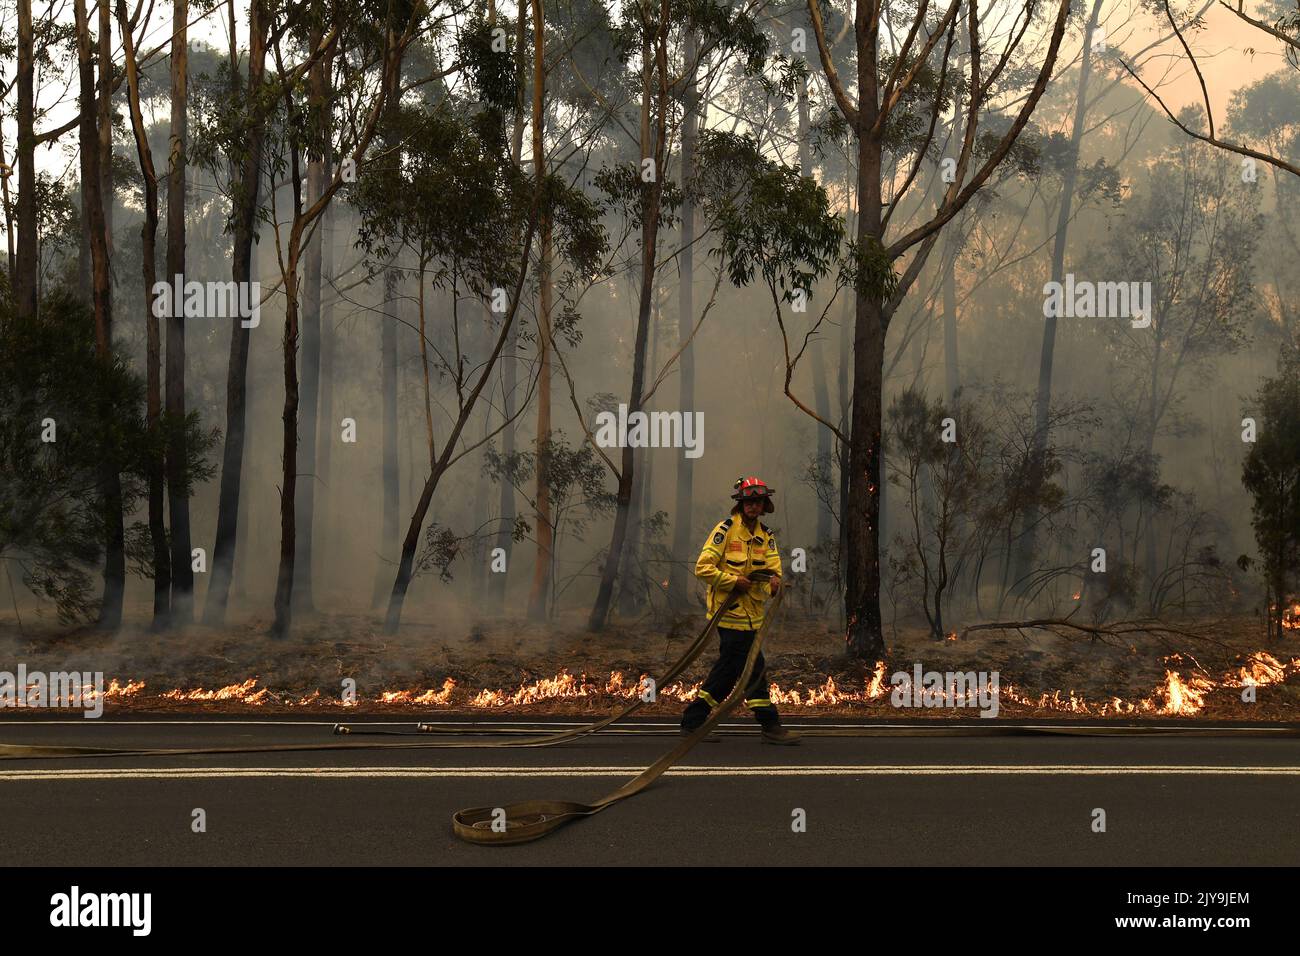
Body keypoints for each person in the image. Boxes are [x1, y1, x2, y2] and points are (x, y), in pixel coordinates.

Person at [680, 476, 800, 744]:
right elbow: (703, 567)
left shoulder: (765, 536)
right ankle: (769, 724)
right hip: (728, 614)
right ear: (741, 504)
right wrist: (733, 581)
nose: (752, 507)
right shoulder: (724, 530)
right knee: (746, 669)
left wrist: (775, 583)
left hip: (752, 617)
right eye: (748, 502)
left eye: (757, 502)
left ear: (763, 505)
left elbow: (774, 571)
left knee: (734, 670)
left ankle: (693, 721)